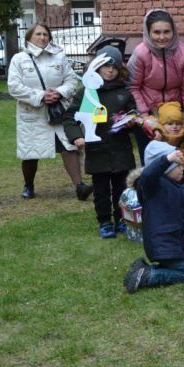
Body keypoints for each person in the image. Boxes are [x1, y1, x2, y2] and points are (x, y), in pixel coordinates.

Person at [7, 22, 92, 200]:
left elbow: (71, 80)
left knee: (68, 146)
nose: (42, 37)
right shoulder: (19, 59)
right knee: (31, 152)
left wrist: (59, 93)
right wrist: (40, 96)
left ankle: (79, 186)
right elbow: (14, 86)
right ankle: (28, 185)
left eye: (45, 34)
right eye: (38, 34)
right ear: (29, 37)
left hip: (58, 111)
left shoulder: (59, 56)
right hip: (33, 113)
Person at [63, 46, 137, 238]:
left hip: (121, 148)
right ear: (96, 67)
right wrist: (76, 136)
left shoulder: (124, 92)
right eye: (105, 66)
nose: (110, 71)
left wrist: (132, 123)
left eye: (114, 67)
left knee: (122, 187)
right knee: (101, 189)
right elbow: (70, 117)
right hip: (97, 150)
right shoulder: (86, 92)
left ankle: (121, 219)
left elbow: (134, 114)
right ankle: (104, 221)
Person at [128, 9, 184, 164]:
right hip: (149, 113)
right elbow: (133, 87)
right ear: (148, 32)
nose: (162, 37)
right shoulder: (140, 54)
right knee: (153, 164)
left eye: (166, 32)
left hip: (177, 114)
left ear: (174, 31)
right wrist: (145, 116)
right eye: (156, 32)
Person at [123, 141, 184, 293]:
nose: (182, 168)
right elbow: (149, 173)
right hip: (162, 241)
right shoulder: (151, 185)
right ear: (166, 168)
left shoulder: (178, 187)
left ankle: (142, 270)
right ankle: (148, 276)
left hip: (173, 242)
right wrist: (167, 159)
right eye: (178, 166)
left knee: (179, 268)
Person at [142, 101, 184, 209]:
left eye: (178, 123)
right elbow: (148, 121)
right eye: (170, 124)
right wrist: (156, 130)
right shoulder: (160, 132)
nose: (174, 127)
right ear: (162, 124)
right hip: (171, 168)